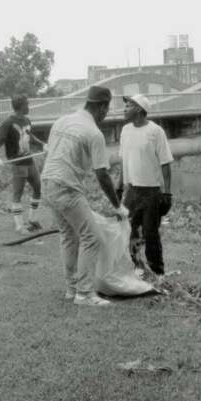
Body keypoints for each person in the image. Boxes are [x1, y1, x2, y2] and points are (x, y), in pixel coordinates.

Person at [39, 85, 128, 307]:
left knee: (69, 235)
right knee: (93, 236)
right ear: (101, 107)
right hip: (66, 188)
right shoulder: (93, 133)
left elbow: (52, 153)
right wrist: (118, 207)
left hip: (47, 183)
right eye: (106, 109)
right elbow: (102, 175)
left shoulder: (61, 121)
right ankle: (85, 294)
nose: (106, 115)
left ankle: (72, 289)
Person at [117, 93, 174, 276]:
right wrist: (119, 187)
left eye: (129, 106)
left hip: (151, 192)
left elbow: (165, 163)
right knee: (128, 230)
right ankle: (137, 267)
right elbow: (123, 161)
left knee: (151, 234)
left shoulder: (156, 131)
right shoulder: (125, 131)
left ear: (140, 110)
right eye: (125, 106)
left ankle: (158, 272)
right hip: (132, 190)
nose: (124, 109)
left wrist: (167, 194)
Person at [0, 94, 44, 233]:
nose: (29, 107)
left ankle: (32, 220)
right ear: (21, 106)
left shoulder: (26, 120)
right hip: (18, 163)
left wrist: (42, 144)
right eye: (27, 104)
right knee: (18, 193)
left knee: (38, 188)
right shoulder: (8, 123)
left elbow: (29, 136)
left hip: (29, 160)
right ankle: (20, 226)